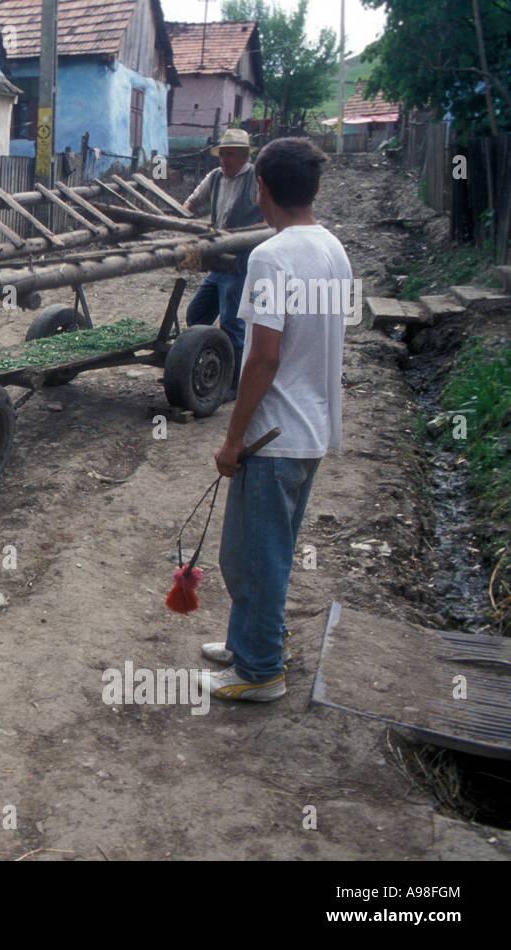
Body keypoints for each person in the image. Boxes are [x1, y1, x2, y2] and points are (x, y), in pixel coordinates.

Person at [198, 136, 351, 702]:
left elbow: (263, 356)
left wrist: (232, 438)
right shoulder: (333, 247)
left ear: (261, 188)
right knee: (254, 552)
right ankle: (248, 642)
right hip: (310, 430)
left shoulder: (270, 256)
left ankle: (260, 671)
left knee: (255, 558)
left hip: (273, 436)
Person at [182, 128, 265, 400]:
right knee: (197, 314)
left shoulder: (256, 179)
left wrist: (243, 235)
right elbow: (191, 204)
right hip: (218, 259)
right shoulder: (215, 177)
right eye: (222, 154)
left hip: (241, 260)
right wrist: (171, 219)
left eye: (229, 154)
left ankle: (233, 383)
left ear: (243, 155)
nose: (224, 160)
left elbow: (270, 220)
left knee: (232, 324)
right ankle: (202, 362)